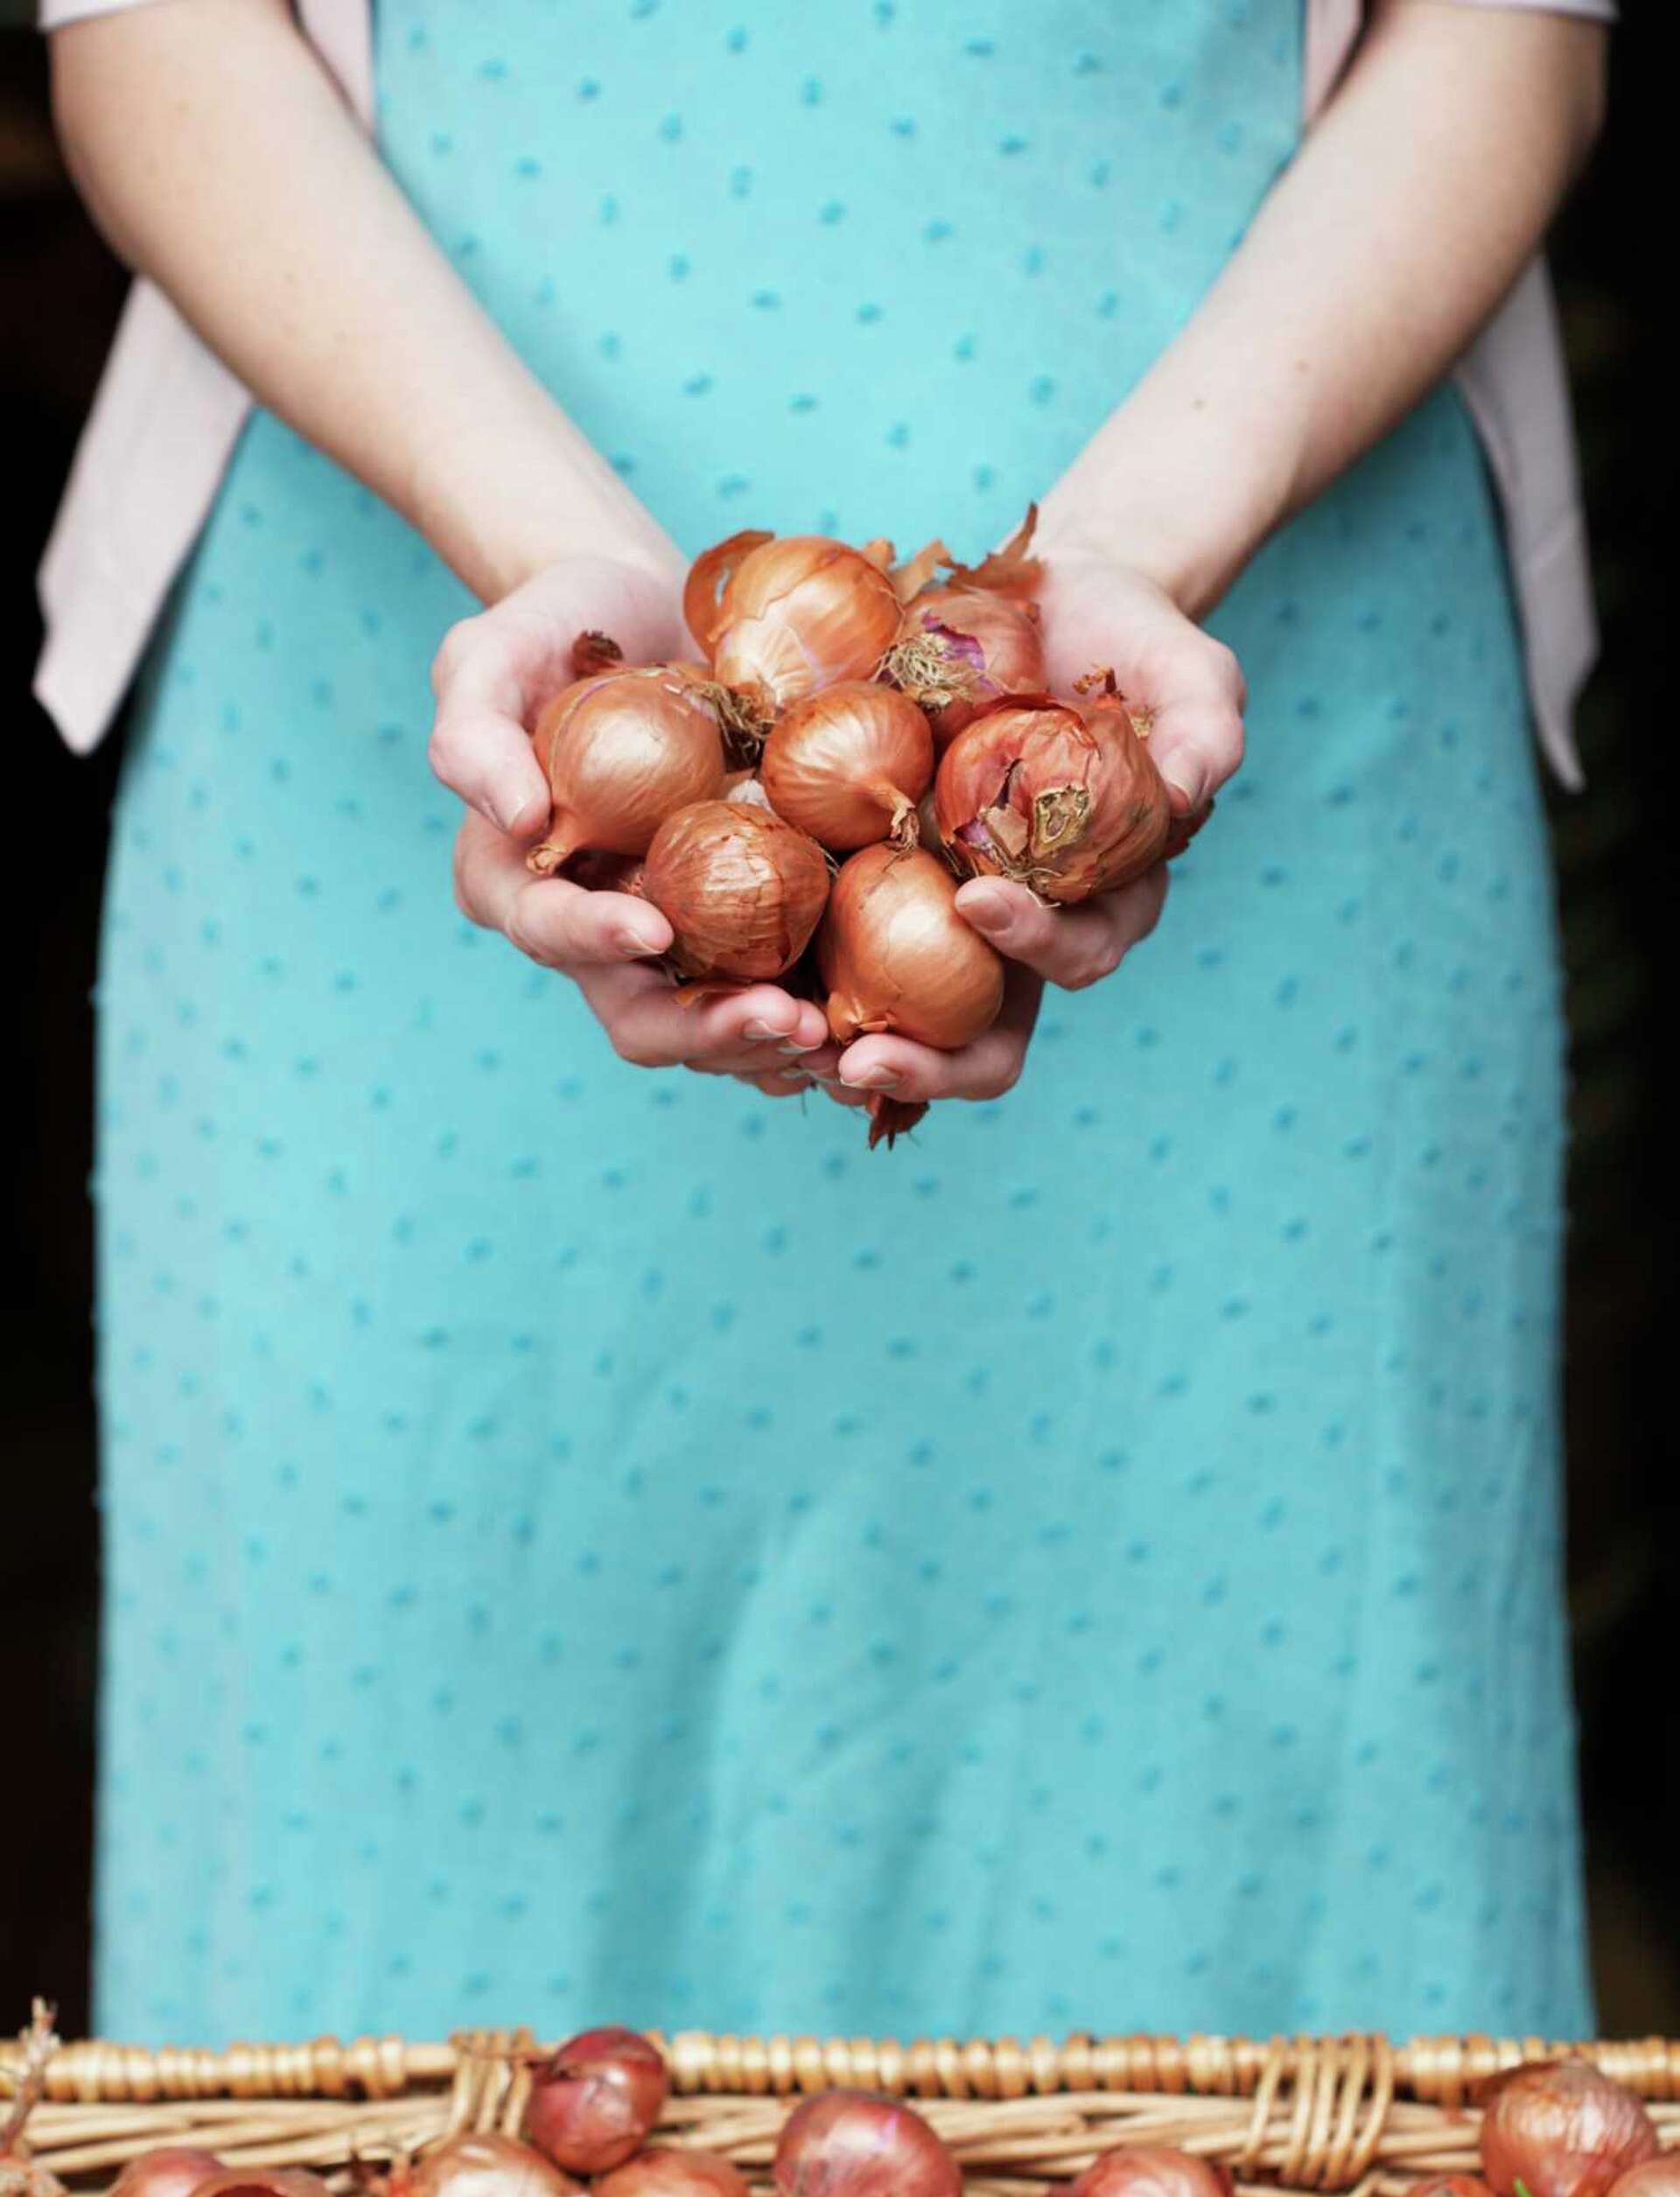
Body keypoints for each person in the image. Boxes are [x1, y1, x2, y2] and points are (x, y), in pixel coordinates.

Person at [39, 0, 1610, 2048]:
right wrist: (553, 564)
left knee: (1267, 1926)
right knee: (399, 2000)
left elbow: (1518, 29)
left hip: (1269, 651)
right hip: (392, 656)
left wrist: (1129, 553)